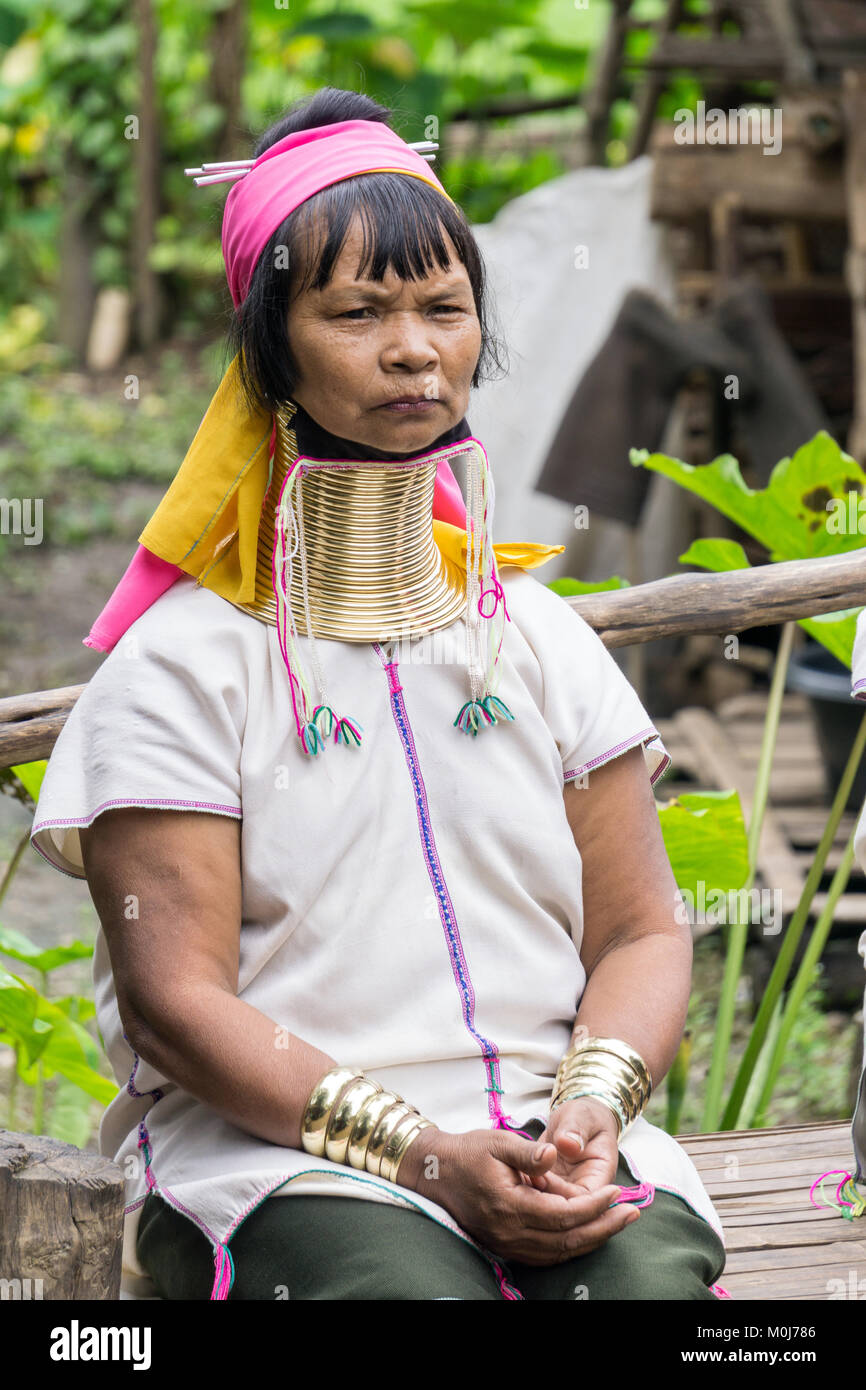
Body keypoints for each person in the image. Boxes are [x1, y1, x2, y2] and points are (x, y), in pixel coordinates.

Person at [30, 87, 727, 1301]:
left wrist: (589, 1111)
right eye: (357, 311)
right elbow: (175, 1000)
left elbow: (639, 928)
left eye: (442, 309)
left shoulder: (543, 643)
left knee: (649, 1297)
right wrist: (421, 1156)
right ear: (269, 350)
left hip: (545, 1134)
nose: (412, 347)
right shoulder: (179, 674)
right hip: (280, 1158)